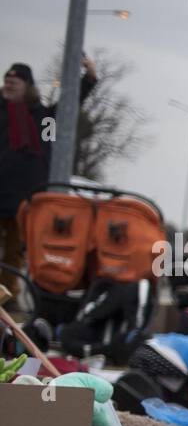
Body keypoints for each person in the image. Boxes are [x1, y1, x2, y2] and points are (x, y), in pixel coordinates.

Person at [0, 58, 98, 303]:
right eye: (6, 82)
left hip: (25, 198)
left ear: (28, 86)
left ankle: (7, 298)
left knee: (15, 253)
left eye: (15, 82)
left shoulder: (43, 119)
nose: (9, 86)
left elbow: (69, 106)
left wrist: (89, 79)